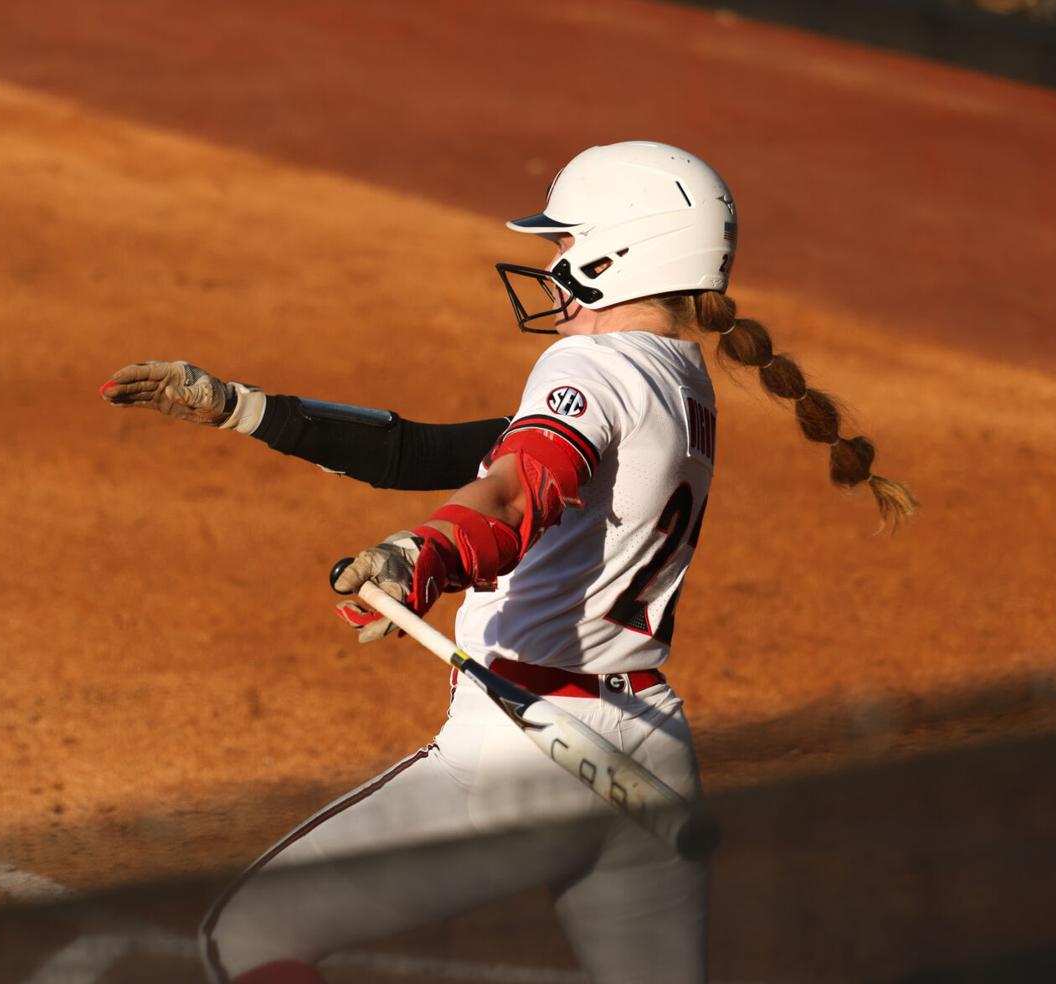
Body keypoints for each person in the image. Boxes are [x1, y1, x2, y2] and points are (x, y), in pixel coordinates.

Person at [99, 141, 916, 984]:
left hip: (526, 755)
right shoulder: (676, 382)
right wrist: (241, 409)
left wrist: (420, 555)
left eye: (564, 243)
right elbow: (433, 452)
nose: (552, 266)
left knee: (247, 938)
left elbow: (515, 496)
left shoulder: (590, 367)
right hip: (647, 747)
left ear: (618, 253)